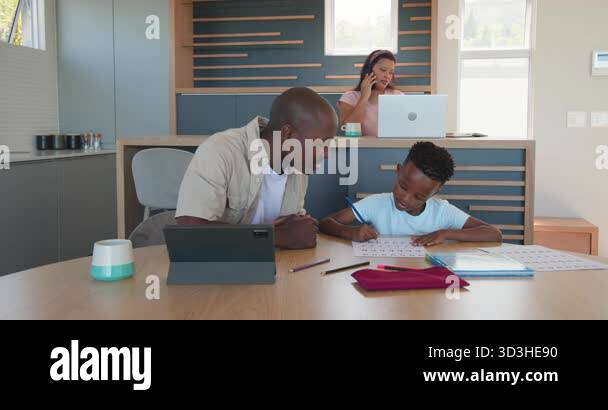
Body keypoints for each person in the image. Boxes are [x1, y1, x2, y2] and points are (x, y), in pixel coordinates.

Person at [176, 87, 339, 250]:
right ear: (288, 135)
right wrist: (274, 236)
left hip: (277, 270)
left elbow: (291, 230)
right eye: (321, 143)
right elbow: (190, 230)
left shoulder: (298, 167)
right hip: (217, 269)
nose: (326, 153)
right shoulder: (220, 150)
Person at [320, 142, 503, 246]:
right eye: (403, 187)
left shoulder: (442, 211)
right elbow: (325, 223)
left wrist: (446, 233)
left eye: (419, 197)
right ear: (398, 171)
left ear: (435, 192)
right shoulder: (376, 204)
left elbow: (494, 234)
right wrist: (351, 231)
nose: (405, 199)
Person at [338, 49, 403, 137]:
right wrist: (364, 97)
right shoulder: (349, 97)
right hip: (362, 149)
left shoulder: (398, 96)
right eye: (383, 70)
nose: (387, 76)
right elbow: (349, 131)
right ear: (369, 70)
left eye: (391, 73)